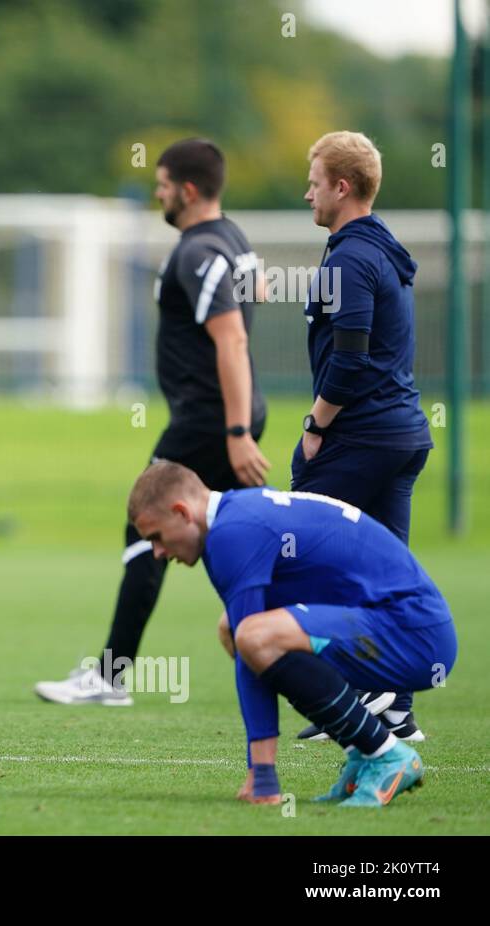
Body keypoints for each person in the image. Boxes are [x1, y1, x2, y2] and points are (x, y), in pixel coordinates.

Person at [37, 138, 269, 706]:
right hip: (223, 415)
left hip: (208, 422)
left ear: (187, 190)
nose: (159, 193)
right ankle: (287, 649)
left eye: (163, 185)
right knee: (251, 536)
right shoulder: (234, 240)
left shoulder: (196, 252)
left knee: (146, 524)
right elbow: (258, 291)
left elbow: (232, 337)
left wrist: (235, 433)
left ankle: (111, 678)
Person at [126, 461, 455, 807]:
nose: (158, 553)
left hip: (415, 634)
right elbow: (241, 637)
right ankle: (364, 752)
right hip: (408, 628)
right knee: (236, 629)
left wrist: (262, 774)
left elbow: (250, 640)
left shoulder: (230, 533)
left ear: (182, 512)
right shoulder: (232, 517)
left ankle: (387, 754)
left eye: (156, 538)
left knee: (253, 635)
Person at [293, 130, 435, 743]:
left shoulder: (350, 256)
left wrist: (315, 425)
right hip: (400, 434)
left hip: (363, 435)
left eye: (315, 182)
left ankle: (360, 693)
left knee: (306, 555)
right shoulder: (380, 247)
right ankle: (395, 706)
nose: (307, 194)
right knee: (386, 569)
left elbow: (349, 360)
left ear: (342, 187)